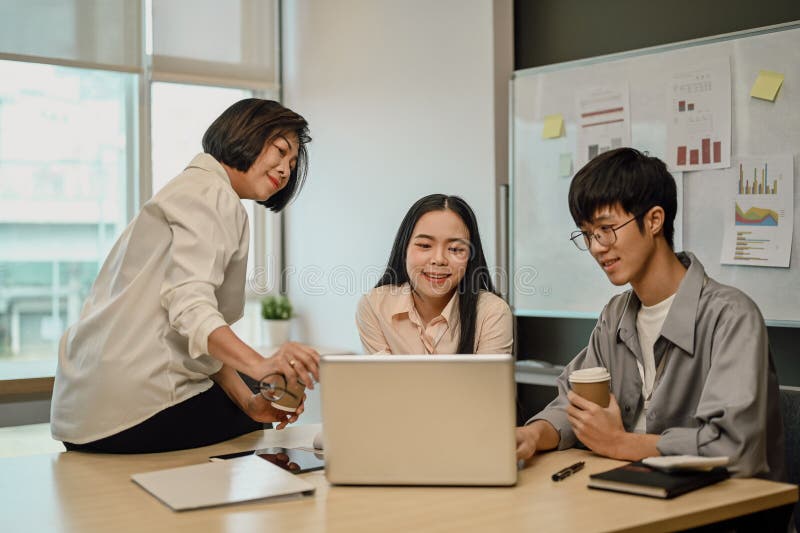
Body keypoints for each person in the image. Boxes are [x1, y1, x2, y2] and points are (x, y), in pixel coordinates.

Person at [51, 99, 320, 453]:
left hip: (84, 410)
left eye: (292, 163)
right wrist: (260, 364)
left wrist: (250, 402)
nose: (285, 170)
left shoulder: (190, 188)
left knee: (251, 406)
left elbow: (198, 336)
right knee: (262, 438)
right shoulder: (213, 194)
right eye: (281, 150)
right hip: (131, 407)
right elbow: (190, 307)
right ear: (246, 133)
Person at [515, 148, 786, 481]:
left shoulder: (731, 317)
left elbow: (734, 448)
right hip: (634, 496)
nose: (597, 246)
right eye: (587, 234)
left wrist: (621, 444)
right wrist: (532, 435)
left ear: (654, 220)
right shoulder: (615, 316)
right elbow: (573, 405)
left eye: (606, 228)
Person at [356, 194, 512, 355]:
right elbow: (382, 379)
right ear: (404, 249)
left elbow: (488, 381)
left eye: (455, 249)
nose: (439, 260)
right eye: (424, 245)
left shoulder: (492, 312)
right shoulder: (374, 306)